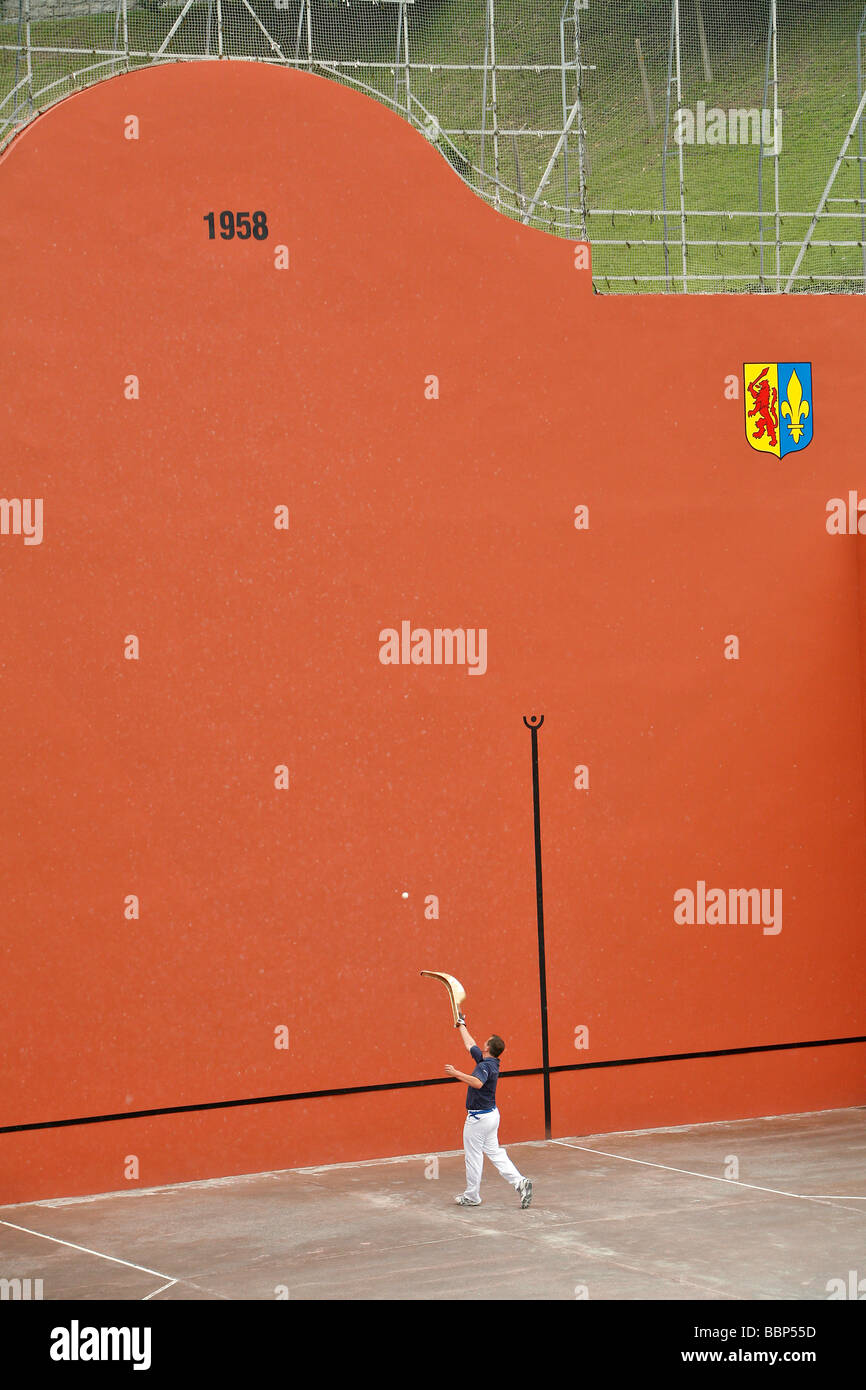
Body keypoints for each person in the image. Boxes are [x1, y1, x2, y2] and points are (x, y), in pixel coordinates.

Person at [445, 1014, 532, 1208]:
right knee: (495, 1153)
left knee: (473, 1156)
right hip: (491, 1116)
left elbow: (477, 1083)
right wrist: (461, 1025)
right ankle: (520, 1182)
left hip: (478, 1120)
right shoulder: (488, 1060)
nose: (482, 1043)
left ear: (488, 1048)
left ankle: (472, 1196)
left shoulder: (485, 1066)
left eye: (486, 1042)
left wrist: (455, 1073)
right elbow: (470, 1045)